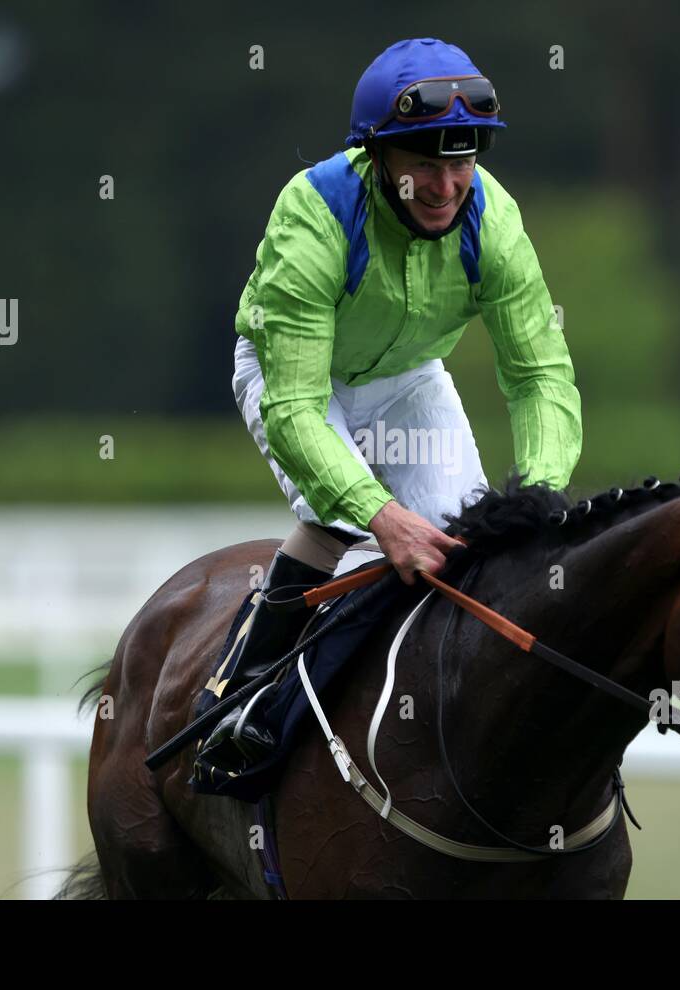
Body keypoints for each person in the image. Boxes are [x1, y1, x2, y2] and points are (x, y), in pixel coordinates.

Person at [203, 37, 582, 769]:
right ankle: (241, 696)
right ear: (376, 158)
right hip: (290, 377)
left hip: (410, 379)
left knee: (463, 545)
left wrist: (538, 493)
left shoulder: (494, 223)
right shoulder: (313, 214)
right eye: (424, 165)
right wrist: (380, 514)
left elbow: (540, 378)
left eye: (463, 162)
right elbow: (299, 410)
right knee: (346, 518)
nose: (446, 186)